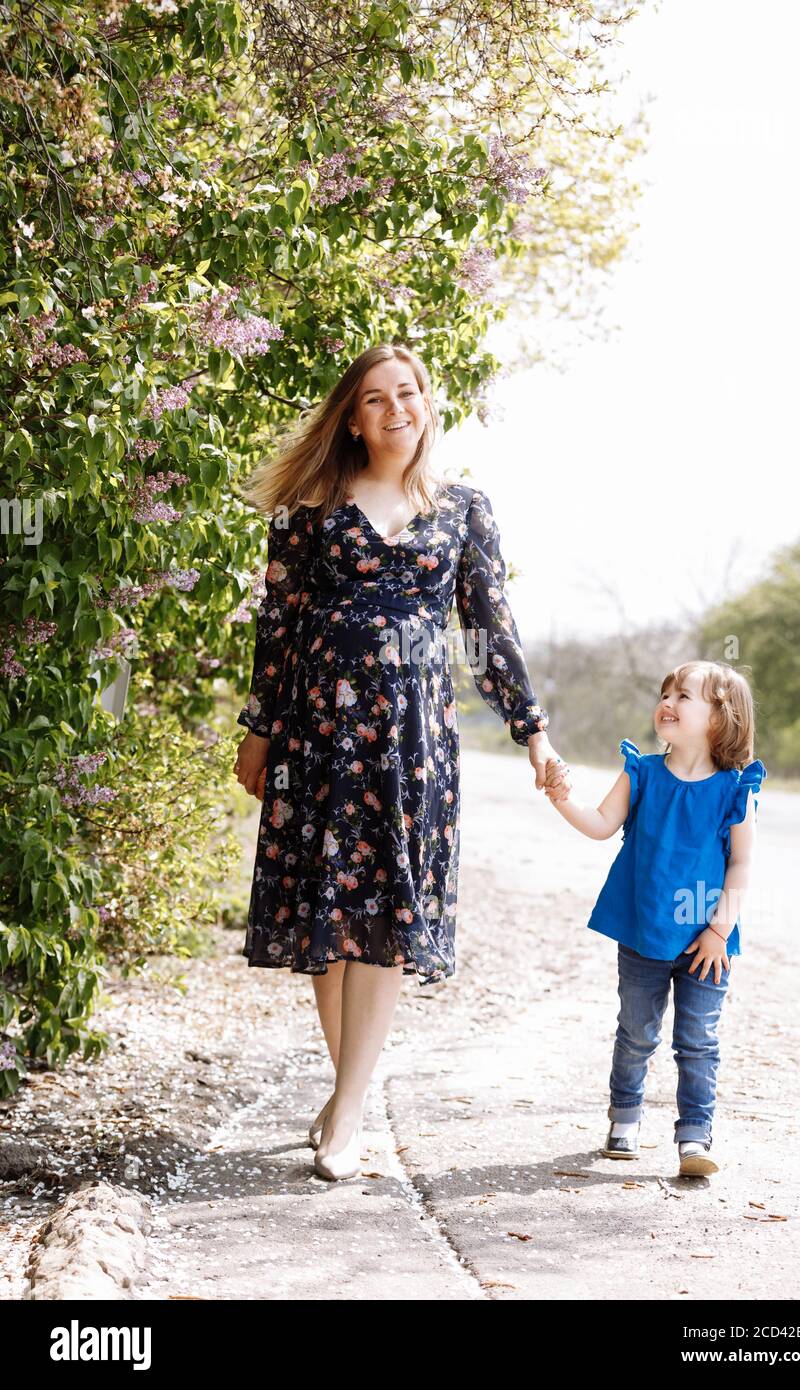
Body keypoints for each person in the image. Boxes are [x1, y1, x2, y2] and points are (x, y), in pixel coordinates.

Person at [233, 341, 564, 1180]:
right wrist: (259, 728)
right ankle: (349, 1094)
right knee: (329, 916)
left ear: (428, 403)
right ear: (353, 415)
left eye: (408, 393)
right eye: (376, 398)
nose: (395, 409)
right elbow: (277, 629)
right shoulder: (308, 508)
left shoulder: (462, 508)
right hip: (318, 735)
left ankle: (348, 1109)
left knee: (384, 912)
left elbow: (489, 631)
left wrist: (534, 730)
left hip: (411, 747)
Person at [543, 660, 767, 1178]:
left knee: (698, 1040)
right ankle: (625, 1117)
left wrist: (719, 931)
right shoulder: (641, 772)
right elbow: (601, 824)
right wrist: (561, 798)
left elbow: (742, 861)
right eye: (666, 692)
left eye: (684, 696)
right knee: (637, 1031)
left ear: (721, 716)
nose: (668, 701)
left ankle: (695, 1136)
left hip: (708, 941)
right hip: (645, 931)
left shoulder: (736, 788)